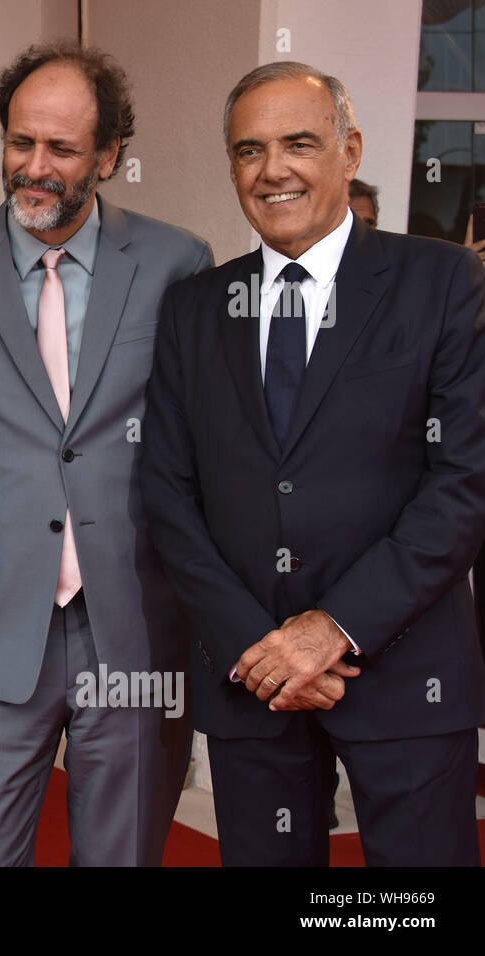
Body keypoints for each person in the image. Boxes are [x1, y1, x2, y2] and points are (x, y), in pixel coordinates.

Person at [140, 61, 485, 866]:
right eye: (250, 151)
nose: (274, 170)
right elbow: (166, 492)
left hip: (405, 674)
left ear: (349, 148)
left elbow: (464, 482)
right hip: (252, 679)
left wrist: (331, 629)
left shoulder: (442, 281)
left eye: (299, 143)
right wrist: (257, 646)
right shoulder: (195, 307)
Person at [0, 41, 212, 867]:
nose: (35, 166)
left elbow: (198, 445)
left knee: (124, 854)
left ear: (108, 157)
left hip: (137, 622)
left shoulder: (178, 265)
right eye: (21, 142)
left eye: (62, 149)